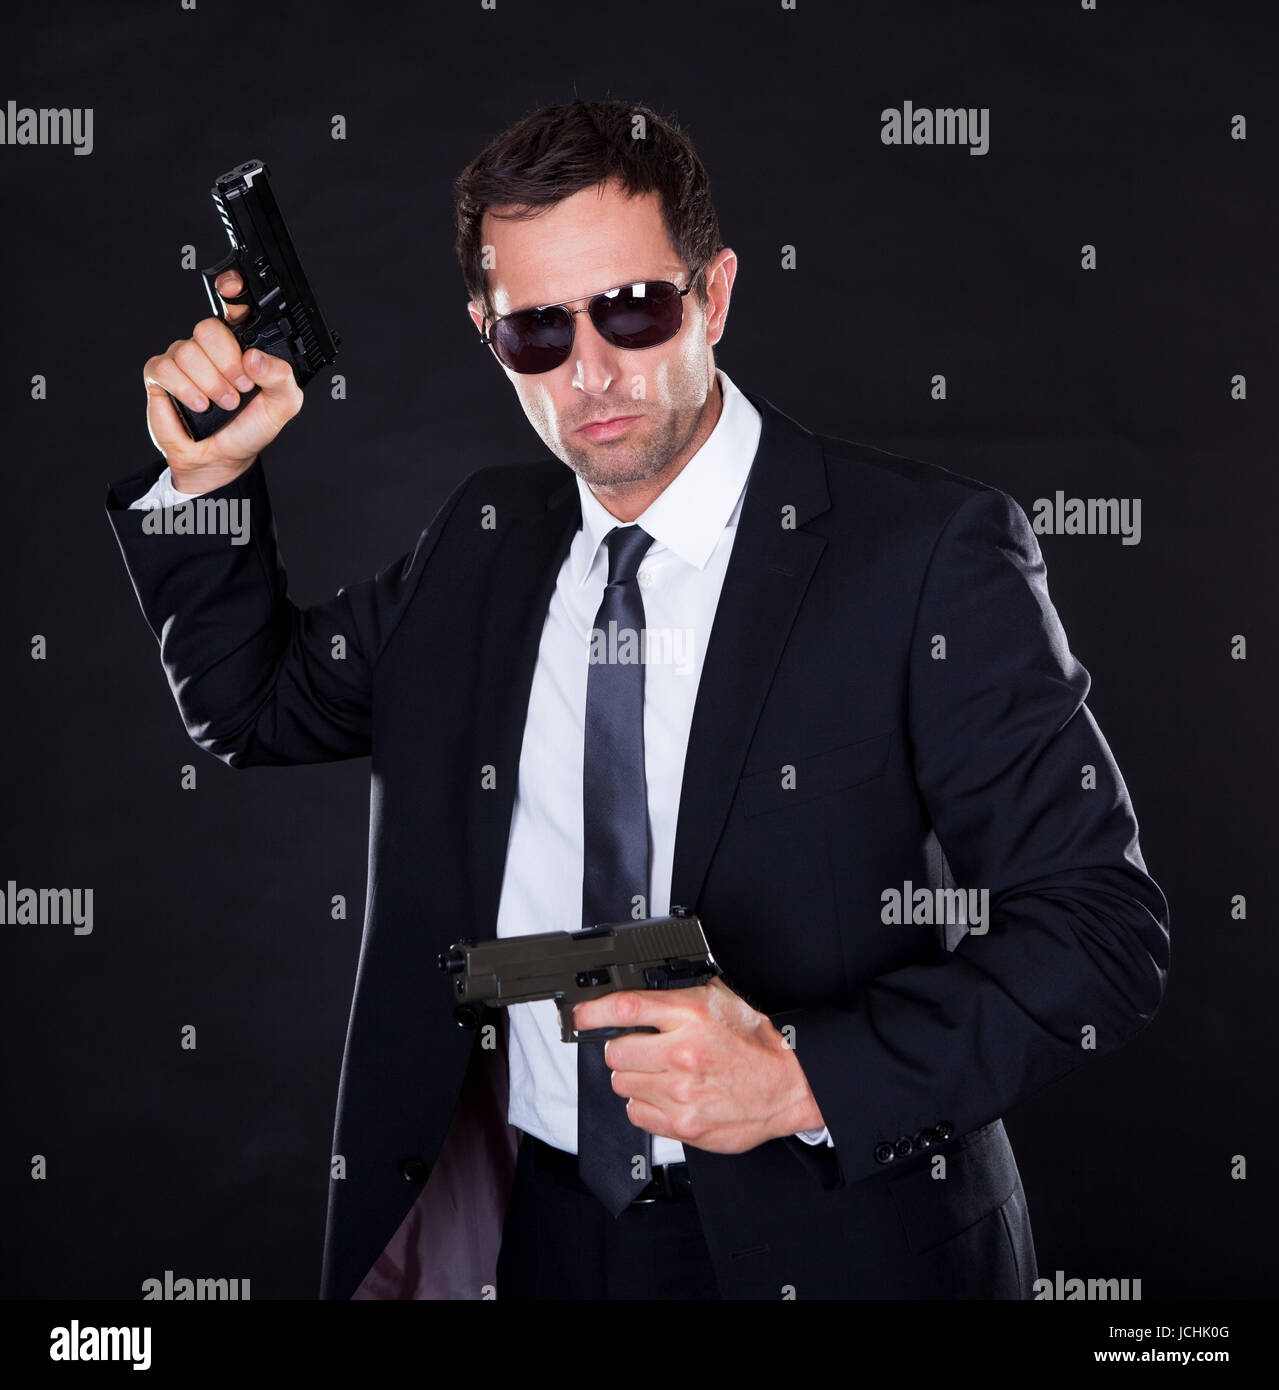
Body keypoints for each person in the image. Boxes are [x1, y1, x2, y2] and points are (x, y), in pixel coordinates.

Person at [105, 98, 1170, 1300]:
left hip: (836, 1240)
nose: (593, 369)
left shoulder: (925, 551)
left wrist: (799, 1077)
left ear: (712, 296)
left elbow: (1100, 932)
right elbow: (252, 706)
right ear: (485, 337)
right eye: (537, 333)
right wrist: (208, 479)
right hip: (540, 1232)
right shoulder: (483, 542)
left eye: (632, 306)